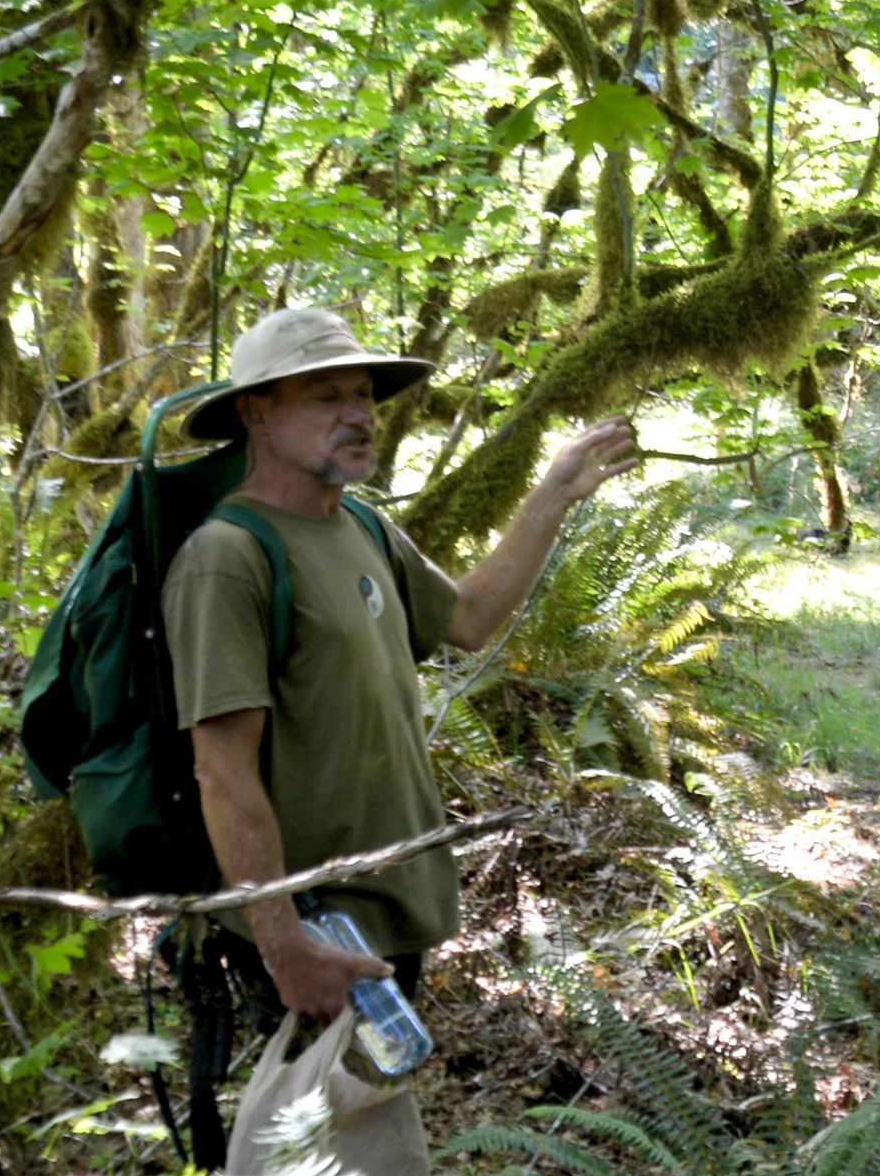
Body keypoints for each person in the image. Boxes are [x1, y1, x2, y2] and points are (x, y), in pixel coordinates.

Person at [165, 304, 638, 1023]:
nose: (359, 414)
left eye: (363, 394)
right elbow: (222, 772)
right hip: (317, 932)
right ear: (255, 412)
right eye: (326, 396)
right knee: (309, 1102)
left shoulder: (362, 526)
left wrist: (554, 493)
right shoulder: (228, 558)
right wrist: (285, 949)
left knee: (368, 1099)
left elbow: (469, 617)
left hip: (389, 914)